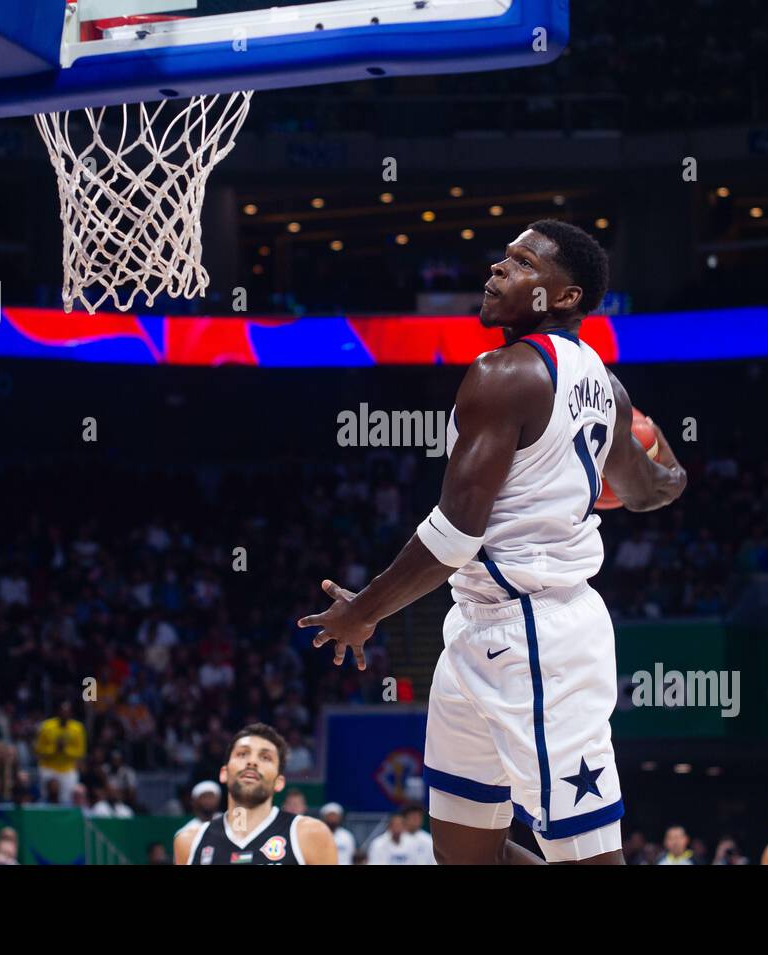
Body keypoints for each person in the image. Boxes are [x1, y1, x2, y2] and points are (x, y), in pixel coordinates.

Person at [299, 221, 686, 864]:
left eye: (523, 262)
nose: (498, 270)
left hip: (539, 633)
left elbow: (454, 533)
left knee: (585, 855)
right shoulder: (608, 387)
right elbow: (648, 491)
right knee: (465, 853)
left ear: (564, 296)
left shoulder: (503, 373)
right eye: (503, 258)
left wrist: (360, 614)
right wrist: (671, 461)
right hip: (478, 627)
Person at [174, 723, 336, 865]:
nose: (252, 762)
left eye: (265, 757)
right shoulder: (189, 842)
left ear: (279, 782)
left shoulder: (310, 834)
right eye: (242, 754)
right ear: (224, 773)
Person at [35, 699, 86, 806]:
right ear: (58, 712)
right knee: (47, 797)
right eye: (62, 711)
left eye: (67, 712)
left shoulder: (78, 728)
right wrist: (54, 749)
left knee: (67, 800)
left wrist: (65, 749)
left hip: (67, 769)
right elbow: (39, 750)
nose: (64, 714)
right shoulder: (46, 726)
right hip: (48, 767)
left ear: (71, 713)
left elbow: (80, 752)